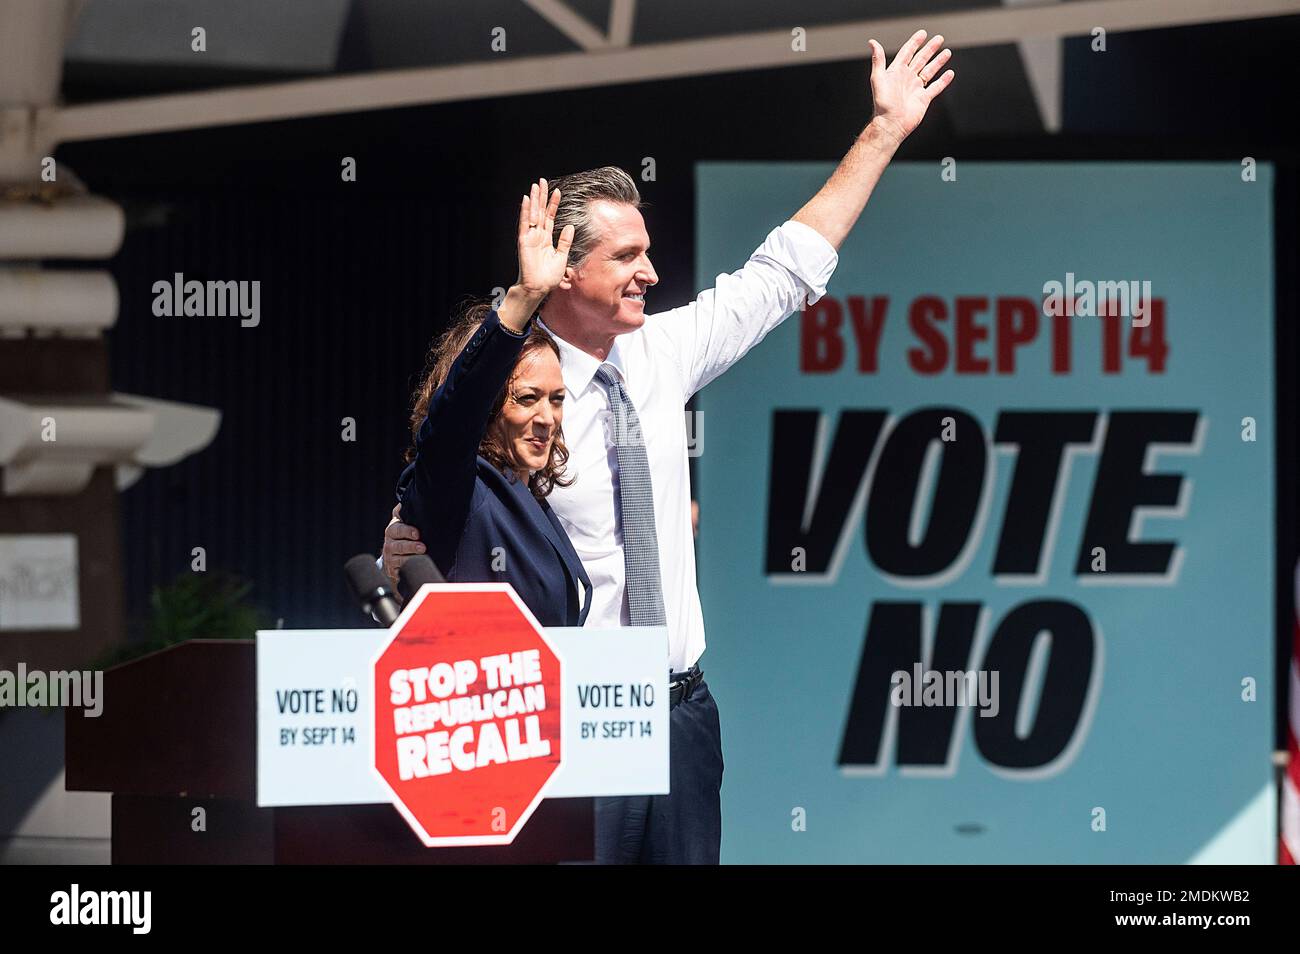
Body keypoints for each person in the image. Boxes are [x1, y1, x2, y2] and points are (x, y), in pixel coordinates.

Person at [384, 33, 956, 862]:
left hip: (682, 714)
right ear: (565, 274)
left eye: (648, 252)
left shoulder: (661, 353)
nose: (652, 272)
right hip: (572, 720)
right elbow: (440, 454)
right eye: (627, 257)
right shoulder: (511, 401)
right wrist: (517, 304)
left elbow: (784, 272)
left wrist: (886, 130)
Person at [397, 178, 592, 627]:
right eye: (526, 399)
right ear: (488, 409)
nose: (547, 418)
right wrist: (523, 298)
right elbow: (454, 417)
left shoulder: (528, 495)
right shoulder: (460, 488)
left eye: (557, 400)